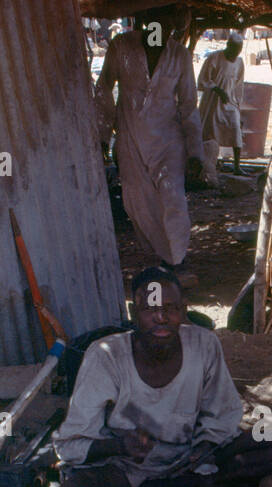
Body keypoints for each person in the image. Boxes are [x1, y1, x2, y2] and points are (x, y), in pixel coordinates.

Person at [48, 268, 272, 487]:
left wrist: (205, 447)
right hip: (127, 469)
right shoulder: (106, 357)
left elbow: (222, 413)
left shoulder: (204, 344)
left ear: (184, 310)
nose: (161, 318)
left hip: (193, 454)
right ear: (134, 313)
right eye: (150, 310)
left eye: (171, 308)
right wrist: (120, 446)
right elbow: (71, 443)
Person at [96, 9, 203, 286]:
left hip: (169, 142)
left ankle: (176, 260)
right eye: (155, 23)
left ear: (173, 27)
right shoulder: (121, 46)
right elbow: (104, 87)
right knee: (137, 202)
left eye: (167, 24)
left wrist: (195, 153)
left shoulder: (179, 56)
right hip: (130, 138)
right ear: (143, 23)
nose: (161, 30)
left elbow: (189, 105)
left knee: (173, 199)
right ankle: (157, 258)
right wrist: (102, 136)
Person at [197, 33, 246, 177]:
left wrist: (237, 105)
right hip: (212, 102)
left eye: (239, 50)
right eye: (234, 50)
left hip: (230, 102)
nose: (236, 53)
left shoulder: (239, 62)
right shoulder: (214, 58)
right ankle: (210, 164)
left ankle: (237, 166)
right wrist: (217, 90)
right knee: (211, 132)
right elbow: (203, 79)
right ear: (228, 46)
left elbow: (238, 85)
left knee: (235, 128)